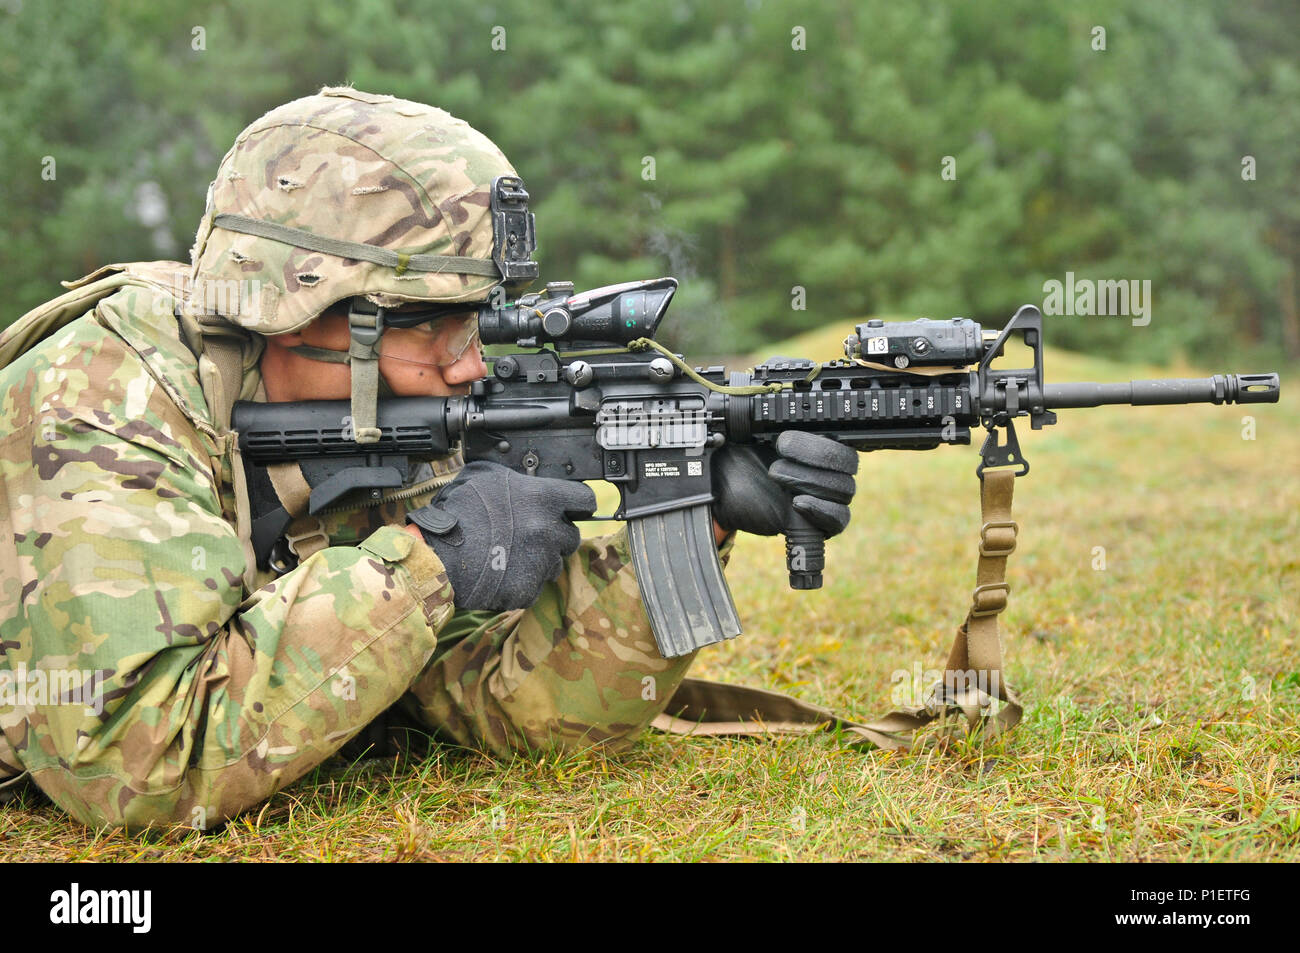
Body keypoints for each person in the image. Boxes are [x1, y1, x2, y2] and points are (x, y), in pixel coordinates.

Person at [0, 88, 856, 829]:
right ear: (301, 304)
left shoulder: (382, 416)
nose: (471, 361)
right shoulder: (103, 393)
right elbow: (136, 767)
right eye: (435, 322)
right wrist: (428, 565)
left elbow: (515, 715)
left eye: (479, 319)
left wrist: (692, 511)